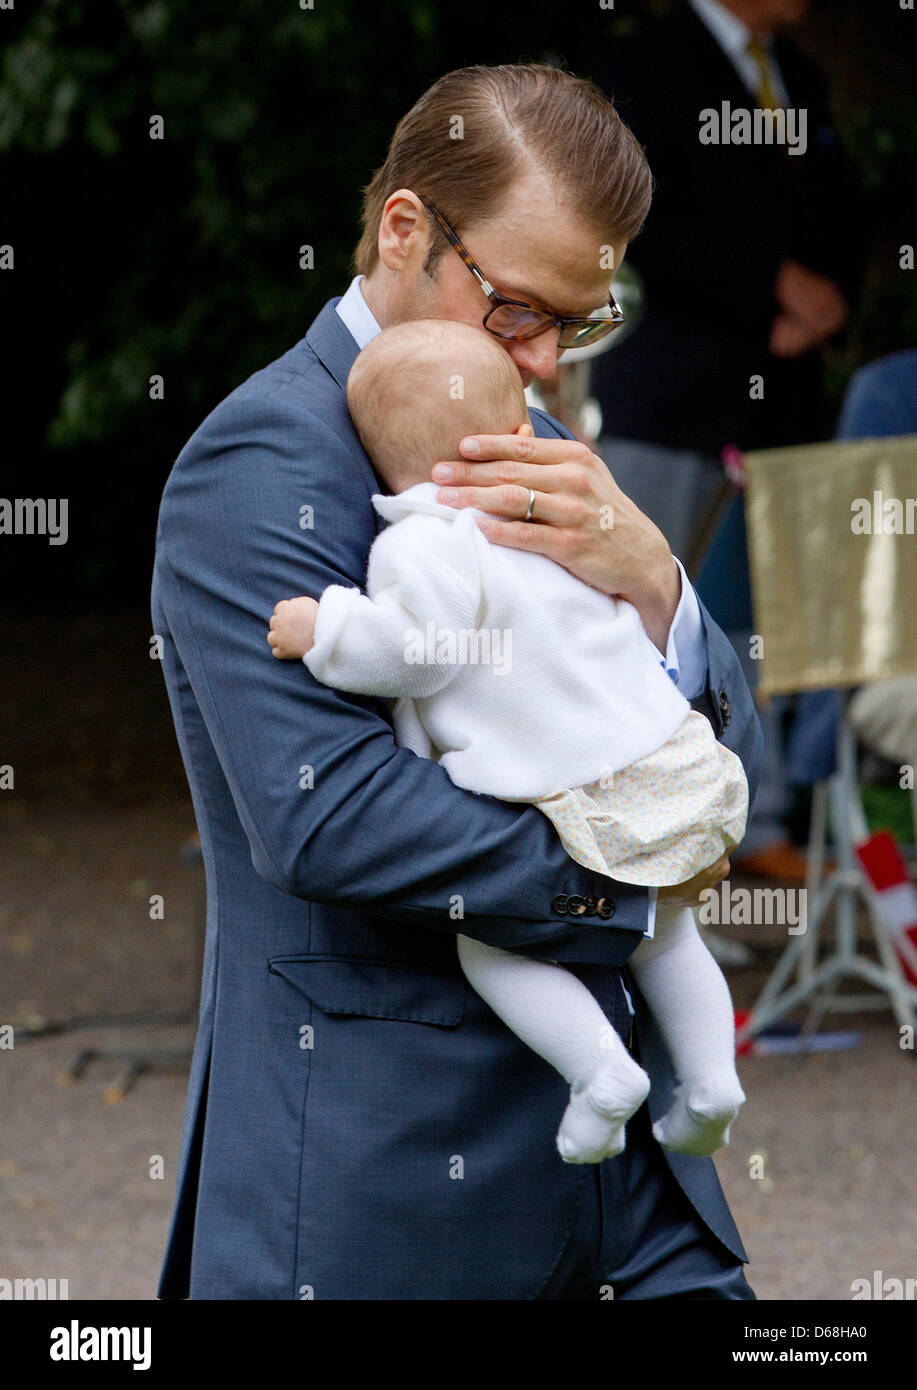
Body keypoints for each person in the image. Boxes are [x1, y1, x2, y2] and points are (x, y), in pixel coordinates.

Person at [152, 63, 762, 1300]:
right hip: (394, 1198)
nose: (539, 366)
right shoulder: (263, 457)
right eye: (516, 309)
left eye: (575, 324)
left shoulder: (530, 435)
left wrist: (656, 584)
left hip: (641, 1202)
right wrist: (639, 871)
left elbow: (712, 747)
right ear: (403, 228)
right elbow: (330, 817)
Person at [268, 317, 749, 1166]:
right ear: (519, 431)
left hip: (577, 795)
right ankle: (711, 1082)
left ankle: (599, 1073)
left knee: (487, 949)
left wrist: (326, 627)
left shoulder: (425, 541)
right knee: (670, 934)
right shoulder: (563, 525)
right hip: (666, 761)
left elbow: (416, 653)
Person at [592, 0, 863, 881]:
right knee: (643, 618)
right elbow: (635, 217)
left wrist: (824, 301)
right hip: (671, 402)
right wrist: (770, 288)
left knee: (758, 624)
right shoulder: (648, 62)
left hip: (783, 400)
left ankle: (754, 823)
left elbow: (838, 205)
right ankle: (640, 836)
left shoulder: (799, 75)